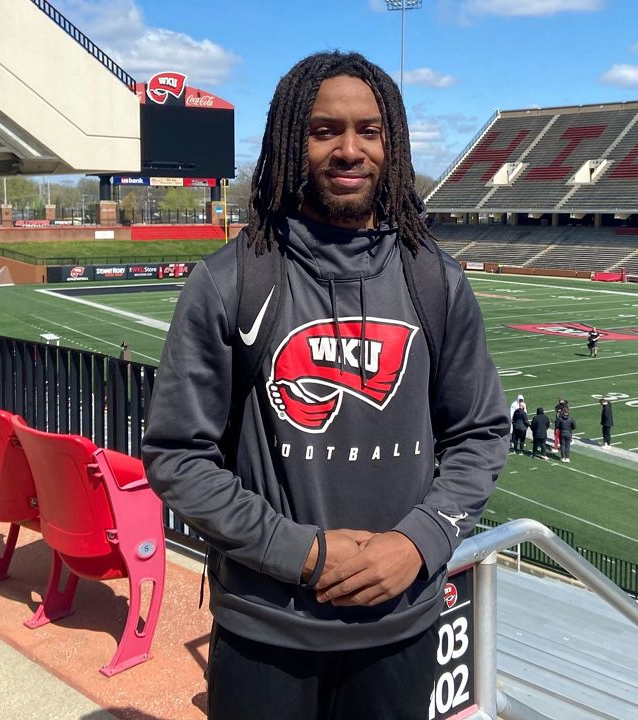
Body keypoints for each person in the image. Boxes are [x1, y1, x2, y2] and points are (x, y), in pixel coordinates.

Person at [141, 51, 508, 720]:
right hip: (265, 630)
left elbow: (480, 435)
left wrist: (419, 541)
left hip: (399, 625)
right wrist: (300, 552)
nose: (349, 149)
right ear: (289, 140)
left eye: (368, 130)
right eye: (324, 130)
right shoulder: (231, 280)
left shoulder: (436, 281)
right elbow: (177, 456)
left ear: (390, 142)